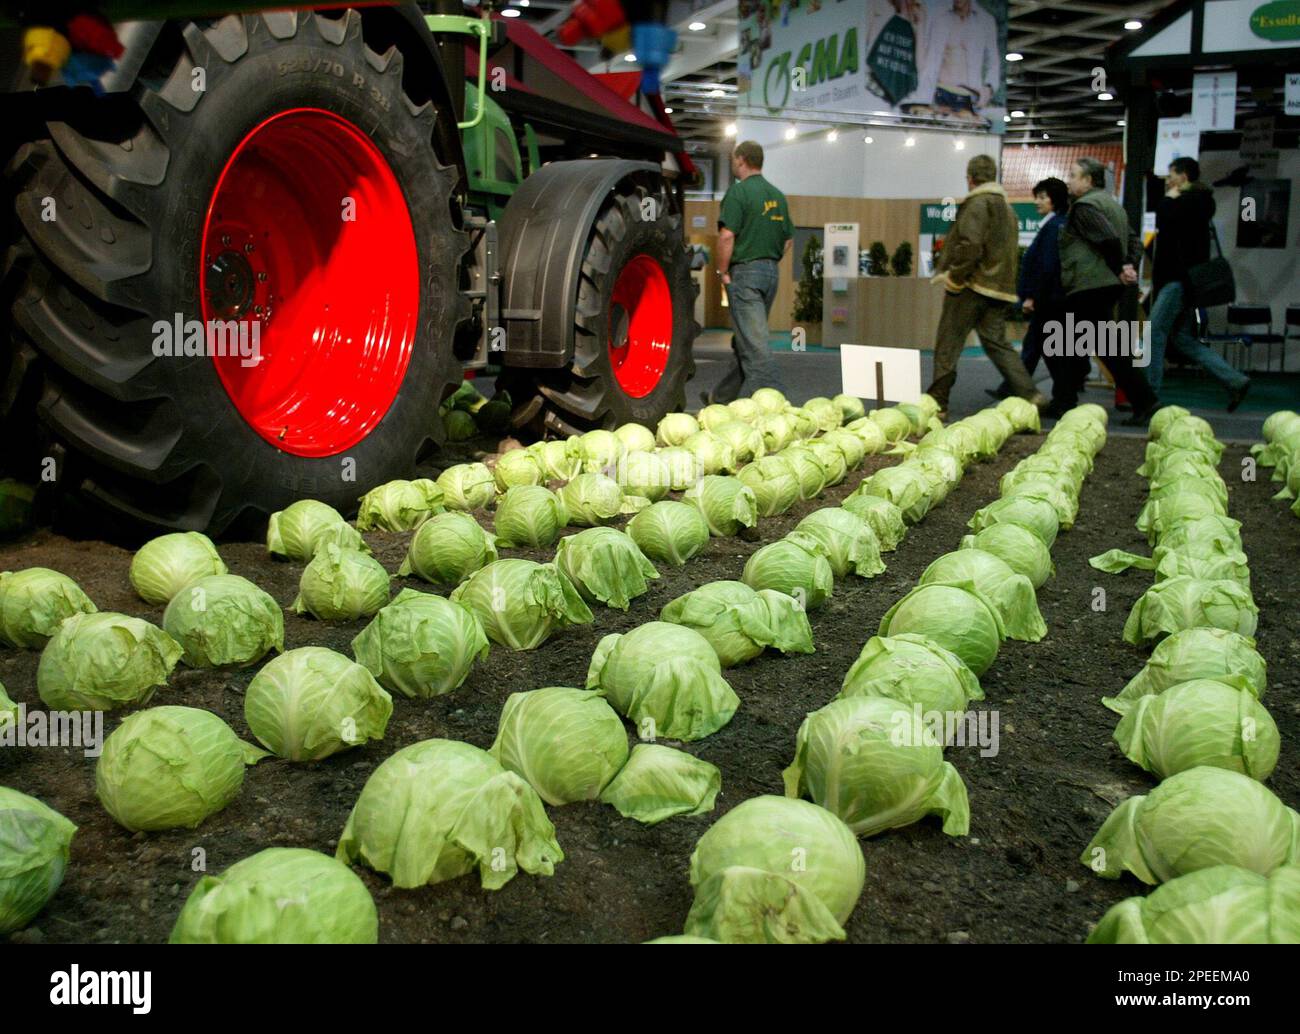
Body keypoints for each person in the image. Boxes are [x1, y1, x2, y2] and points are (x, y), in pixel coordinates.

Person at [927, 153, 1047, 419]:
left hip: (971, 286)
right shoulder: (1007, 209)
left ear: (970, 178)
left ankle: (938, 403)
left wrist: (955, 278)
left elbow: (970, 244)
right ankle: (1031, 394)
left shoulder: (977, 204)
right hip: (999, 289)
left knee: (948, 343)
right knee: (998, 344)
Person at [1046, 157, 1160, 424]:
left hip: (1089, 285)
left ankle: (1146, 401)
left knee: (1101, 348)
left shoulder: (1085, 207)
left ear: (1089, 181)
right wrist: (1128, 266)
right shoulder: (1113, 206)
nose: (1069, 180)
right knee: (1075, 345)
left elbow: (1106, 237)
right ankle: (1065, 401)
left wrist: (1121, 265)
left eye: (1074, 175)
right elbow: (1134, 241)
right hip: (1105, 286)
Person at [1147, 156, 1250, 410]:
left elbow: (1165, 217)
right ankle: (1235, 380)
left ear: (1183, 177)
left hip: (1177, 280)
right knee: (1182, 339)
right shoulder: (1203, 202)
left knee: (1154, 333)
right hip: (1189, 282)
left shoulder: (1187, 202)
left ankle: (1148, 397)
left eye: (1171, 175)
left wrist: (1169, 198)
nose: (1168, 181)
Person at [706, 140, 793, 405]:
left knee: (755, 345)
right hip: (770, 273)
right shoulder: (777, 195)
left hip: (745, 273)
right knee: (746, 339)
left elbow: (727, 236)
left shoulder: (738, 192)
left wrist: (723, 272)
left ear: (741, 160)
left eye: (733, 159)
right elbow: (788, 240)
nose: (733, 163)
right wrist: (769, 262)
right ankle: (721, 398)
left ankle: (775, 403)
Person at [989, 176, 1068, 400]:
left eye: (1043, 197)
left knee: (1040, 348)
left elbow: (1046, 266)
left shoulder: (1053, 227)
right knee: (1041, 349)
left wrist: (1032, 297)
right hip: (1050, 299)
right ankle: (1021, 389)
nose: (1037, 202)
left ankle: (1057, 396)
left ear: (1055, 200)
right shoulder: (1054, 225)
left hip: (1046, 300)